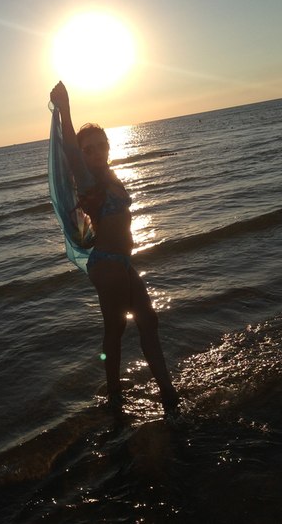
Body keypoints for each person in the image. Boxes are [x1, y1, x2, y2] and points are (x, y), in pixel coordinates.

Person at [49, 81, 179, 414]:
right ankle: (122, 395)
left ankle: (160, 392)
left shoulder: (110, 176)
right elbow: (69, 150)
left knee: (144, 321)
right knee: (119, 328)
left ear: (109, 146)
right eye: (88, 149)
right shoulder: (87, 180)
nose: (95, 153)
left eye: (100, 146)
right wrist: (65, 109)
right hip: (106, 264)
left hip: (121, 262)